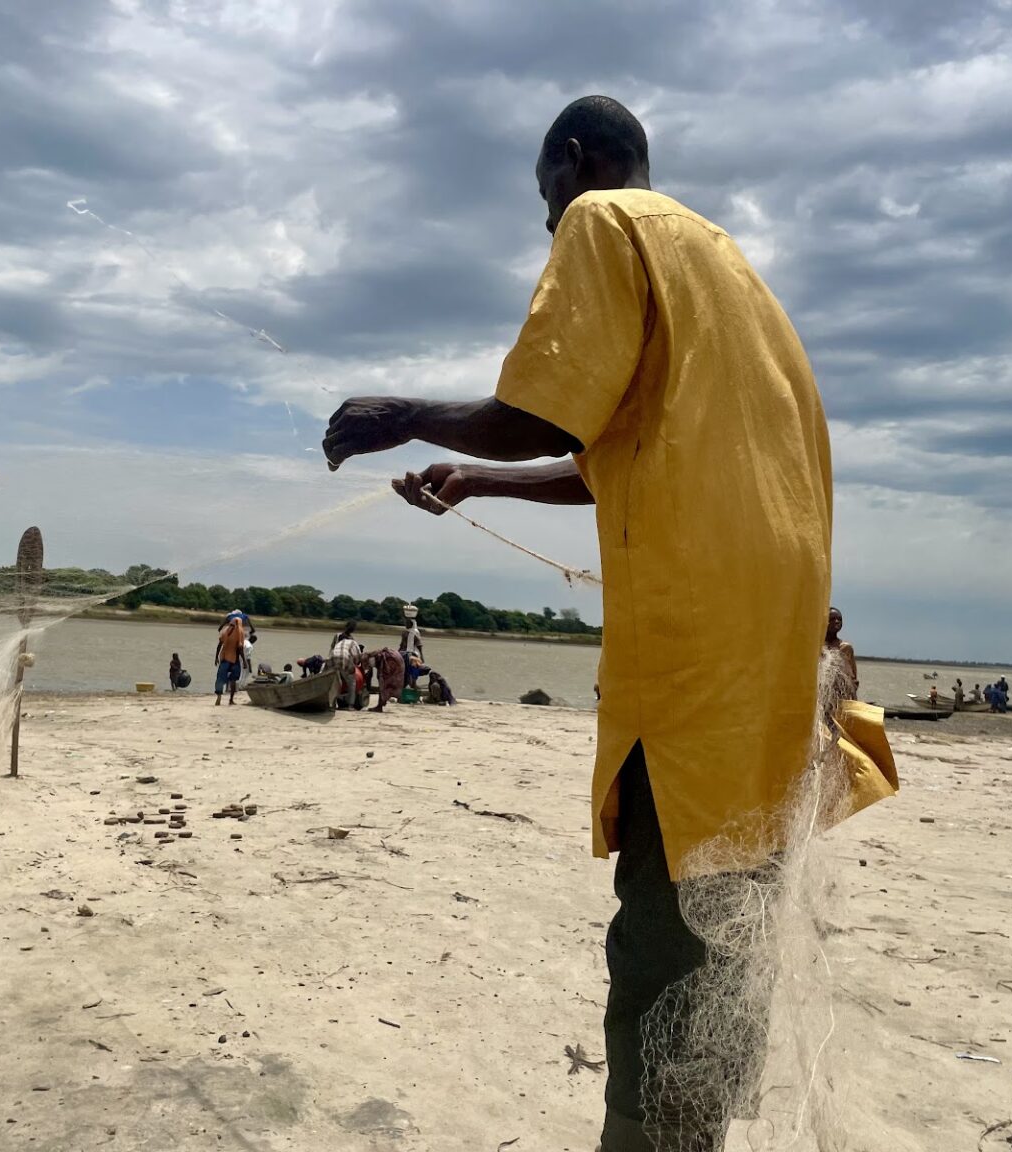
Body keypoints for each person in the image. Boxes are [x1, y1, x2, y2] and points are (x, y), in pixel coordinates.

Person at [321, 95, 837, 1150]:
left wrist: (405, 414)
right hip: (767, 646)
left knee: (670, 916)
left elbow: (548, 408)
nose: (545, 220)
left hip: (693, 651)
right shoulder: (733, 270)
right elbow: (624, 452)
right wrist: (480, 479)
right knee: (734, 899)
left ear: (575, 160)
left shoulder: (606, 223)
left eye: (542, 194)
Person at [824, 607, 859, 699]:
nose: (836, 621)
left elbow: (853, 679)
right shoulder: (817, 647)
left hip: (840, 696)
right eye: (832, 619)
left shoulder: (845, 648)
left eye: (839, 619)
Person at [214, 615, 247, 706]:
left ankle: (219, 696)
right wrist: (244, 661)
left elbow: (219, 645)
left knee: (220, 678)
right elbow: (240, 648)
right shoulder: (239, 632)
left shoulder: (225, 631)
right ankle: (231, 700)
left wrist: (216, 657)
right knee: (233, 680)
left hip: (224, 658)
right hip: (234, 659)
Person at [329, 629, 363, 709]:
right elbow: (358, 656)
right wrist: (356, 664)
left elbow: (330, 653)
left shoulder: (338, 643)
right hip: (344, 660)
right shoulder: (352, 642)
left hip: (332, 659)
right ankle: (350, 705)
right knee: (352, 683)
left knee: (334, 682)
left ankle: (333, 704)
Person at [365, 647, 406, 712]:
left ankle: (379, 706)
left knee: (383, 684)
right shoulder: (377, 654)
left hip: (392, 662)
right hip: (397, 662)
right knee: (391, 683)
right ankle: (384, 701)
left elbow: (379, 674)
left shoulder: (369, 658)